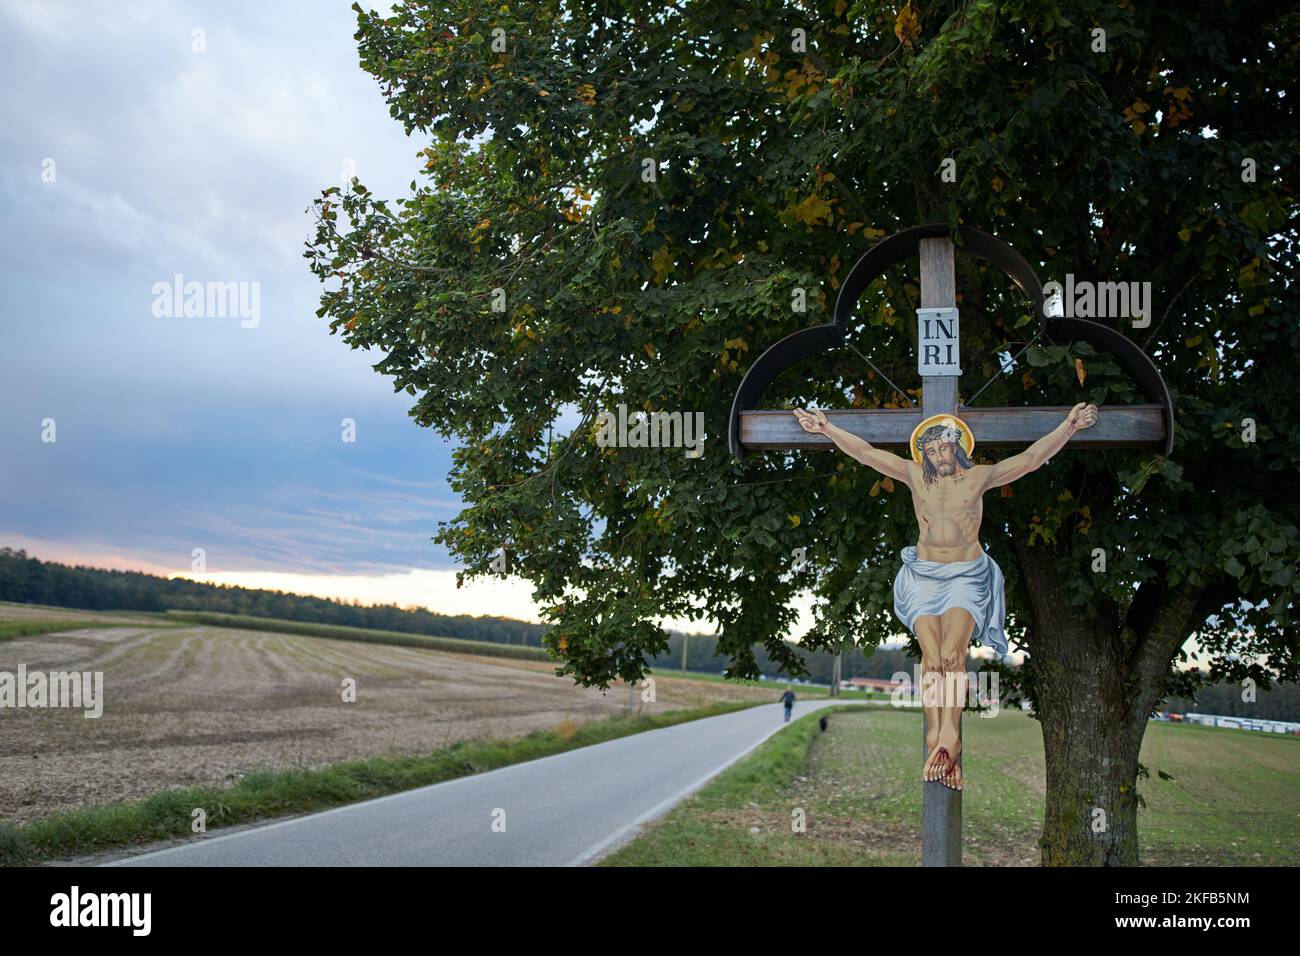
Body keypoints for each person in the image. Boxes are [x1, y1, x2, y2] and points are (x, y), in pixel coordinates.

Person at [794, 402, 1099, 790]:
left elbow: (1032, 458)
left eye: (944, 447)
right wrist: (827, 429)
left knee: (953, 655)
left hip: (965, 575)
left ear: (958, 447)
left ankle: (948, 738)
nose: (938, 454)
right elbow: (866, 453)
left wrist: (1069, 427)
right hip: (923, 574)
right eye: (931, 449)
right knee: (933, 660)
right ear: (924, 452)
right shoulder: (912, 475)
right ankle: (936, 744)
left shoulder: (980, 478)